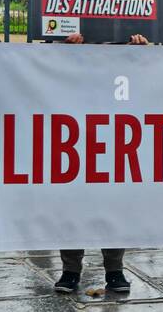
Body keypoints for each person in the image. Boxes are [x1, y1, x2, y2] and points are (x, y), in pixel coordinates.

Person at [51, 30, 150, 295]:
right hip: (75, 120)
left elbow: (145, 74)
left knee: (113, 197)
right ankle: (70, 270)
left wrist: (139, 49)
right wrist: (63, 45)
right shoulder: (68, 18)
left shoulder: (126, 23)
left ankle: (114, 270)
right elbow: (47, 63)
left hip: (115, 119)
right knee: (73, 195)